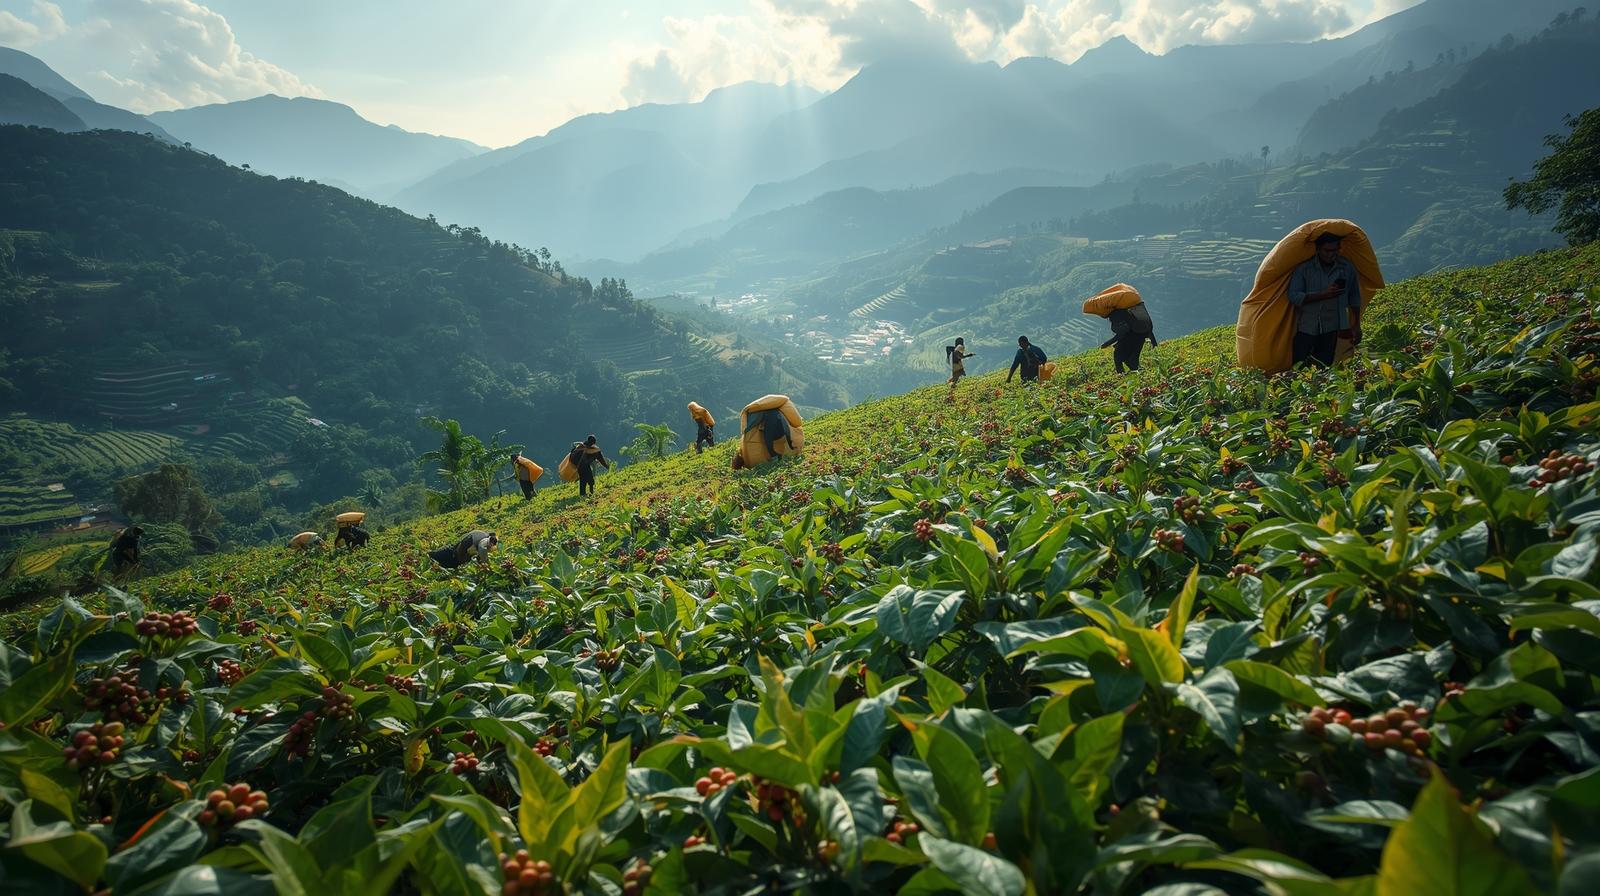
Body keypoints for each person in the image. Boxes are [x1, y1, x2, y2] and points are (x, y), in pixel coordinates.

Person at [1288, 232, 1362, 367]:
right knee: (1299, 367)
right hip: (1306, 328)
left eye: (1335, 250)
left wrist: (1356, 325)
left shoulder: (1346, 268)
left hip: (1332, 328)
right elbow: (1294, 296)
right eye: (1327, 251)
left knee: (1323, 368)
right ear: (1318, 249)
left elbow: (1354, 297)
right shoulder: (1304, 269)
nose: (1331, 254)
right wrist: (1323, 295)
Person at [1102, 304, 1158, 373]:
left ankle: (1121, 376)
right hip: (1140, 337)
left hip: (1131, 337)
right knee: (1130, 360)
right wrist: (1154, 342)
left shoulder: (1116, 315)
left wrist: (1107, 343)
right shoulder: (1127, 311)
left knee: (1118, 357)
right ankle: (1137, 373)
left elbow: (1122, 333)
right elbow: (1146, 328)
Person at [429, 530, 498, 569]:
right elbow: (481, 549)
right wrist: (487, 564)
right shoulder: (484, 540)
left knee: (448, 560)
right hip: (458, 550)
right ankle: (429, 556)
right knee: (446, 555)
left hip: (459, 549)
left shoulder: (482, 536)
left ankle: (433, 559)